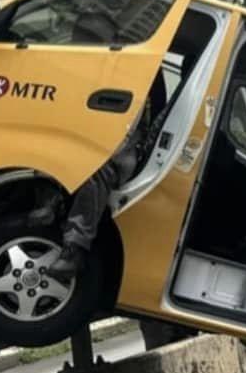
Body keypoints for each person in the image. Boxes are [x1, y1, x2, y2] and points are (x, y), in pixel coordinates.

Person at [41, 72, 168, 283]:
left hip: (126, 152)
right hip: (103, 142)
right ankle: (48, 201)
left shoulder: (146, 85)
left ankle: (75, 248)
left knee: (96, 171)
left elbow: (130, 135)